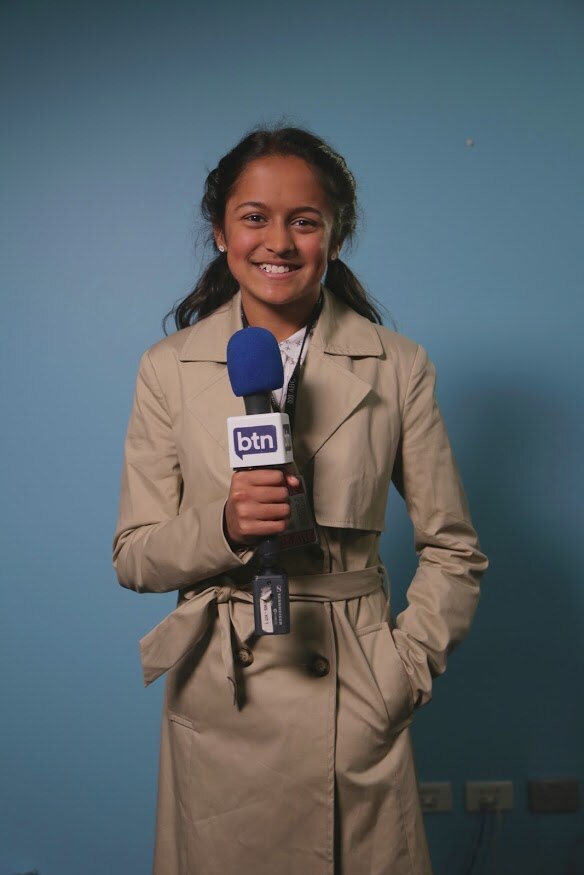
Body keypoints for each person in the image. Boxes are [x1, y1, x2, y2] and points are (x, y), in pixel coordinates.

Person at [113, 125, 488, 875]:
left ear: (334, 236)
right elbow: (135, 556)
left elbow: (454, 549)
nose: (277, 240)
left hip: (351, 683)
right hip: (225, 695)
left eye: (304, 220)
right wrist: (223, 525)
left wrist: (400, 673)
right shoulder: (168, 369)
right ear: (221, 231)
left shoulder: (398, 367)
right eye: (254, 216)